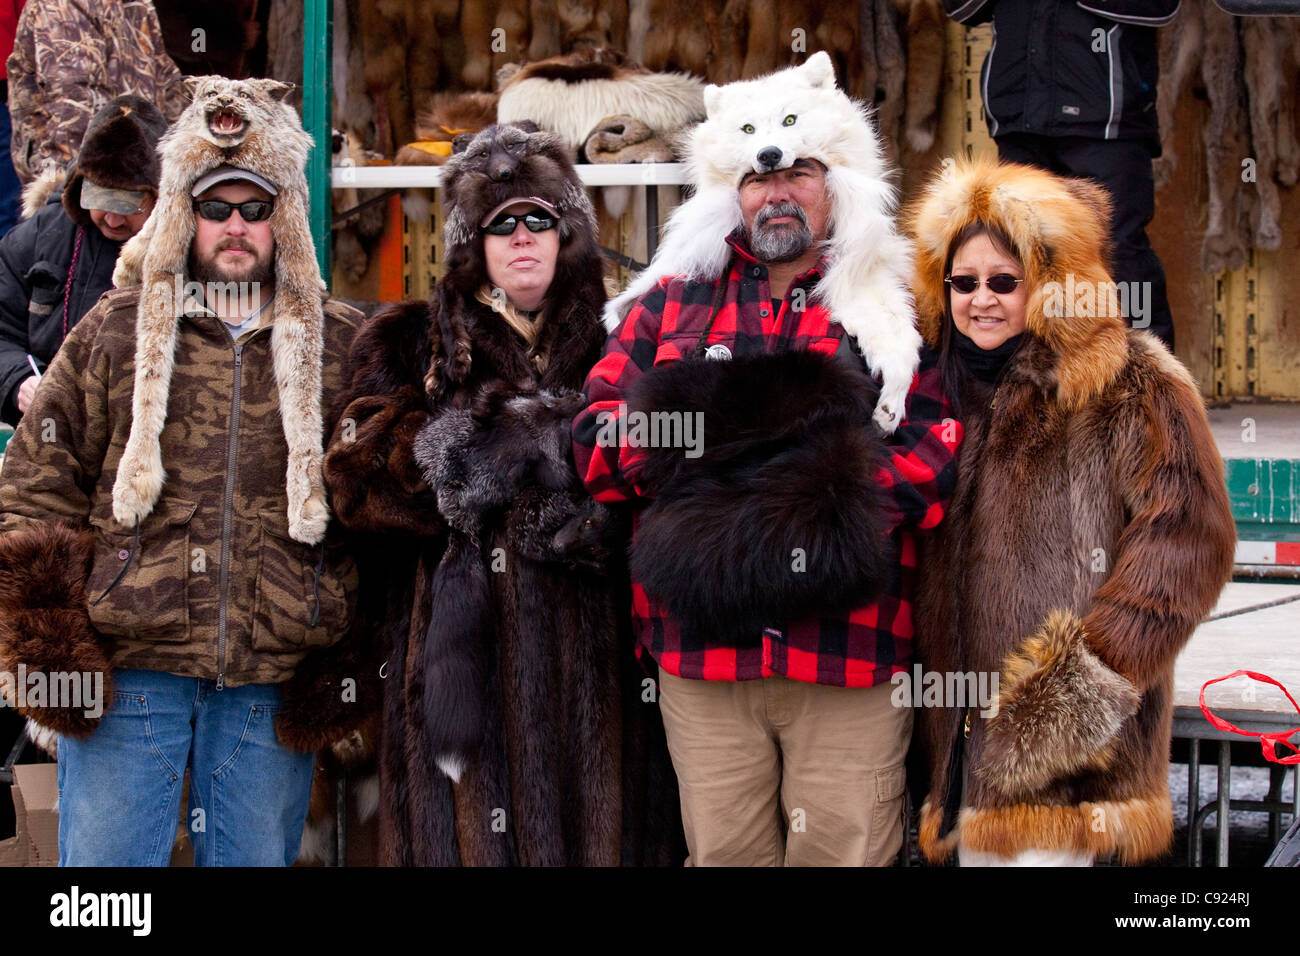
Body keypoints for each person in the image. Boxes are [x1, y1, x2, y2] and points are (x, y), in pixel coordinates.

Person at [574, 86, 962, 866]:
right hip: (703, 658)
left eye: (798, 173)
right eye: (754, 179)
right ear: (730, 192)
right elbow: (593, 445)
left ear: (837, 184)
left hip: (848, 655)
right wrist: (809, 470)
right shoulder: (668, 308)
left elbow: (933, 453)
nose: (774, 192)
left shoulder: (895, 307)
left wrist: (715, 485)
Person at [0, 89, 368, 866]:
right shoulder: (114, 329)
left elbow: (379, 510)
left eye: (255, 204)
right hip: (132, 675)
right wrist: (55, 649)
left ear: (285, 217)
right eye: (214, 204)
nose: (235, 224)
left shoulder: (345, 347)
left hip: (271, 681)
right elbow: (34, 485)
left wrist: (345, 635)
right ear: (183, 214)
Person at [323, 123, 679, 866]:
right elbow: (352, 483)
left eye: (540, 219)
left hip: (600, 670)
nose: (522, 237)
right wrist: (465, 458)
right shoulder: (409, 343)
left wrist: (589, 516)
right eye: (501, 223)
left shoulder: (629, 342)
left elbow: (665, 476)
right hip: (461, 668)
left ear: (569, 232)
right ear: (472, 244)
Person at [906, 155, 1235, 866]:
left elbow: (1189, 546)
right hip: (962, 765)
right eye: (963, 283)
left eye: (1005, 281)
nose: (982, 300)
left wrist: (1071, 702)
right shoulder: (931, 388)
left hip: (1076, 768)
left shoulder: (1133, 381)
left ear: (1052, 286)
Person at [942, 0, 1179, 351]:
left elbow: (1161, 8)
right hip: (1019, 115)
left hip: (1105, 117)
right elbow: (961, 9)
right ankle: (1035, 387)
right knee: (1022, 252)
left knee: (1120, 251)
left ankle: (1154, 385)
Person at [0, 94, 164, 426]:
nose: (114, 220)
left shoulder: (193, 246)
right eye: (102, 200)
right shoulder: (36, 238)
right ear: (80, 186)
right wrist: (19, 381)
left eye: (131, 204)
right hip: (50, 431)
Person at [6, 0, 184, 185]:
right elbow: (72, 112)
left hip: (121, 178)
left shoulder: (134, 4)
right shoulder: (65, 7)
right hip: (109, 180)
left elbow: (167, 86)